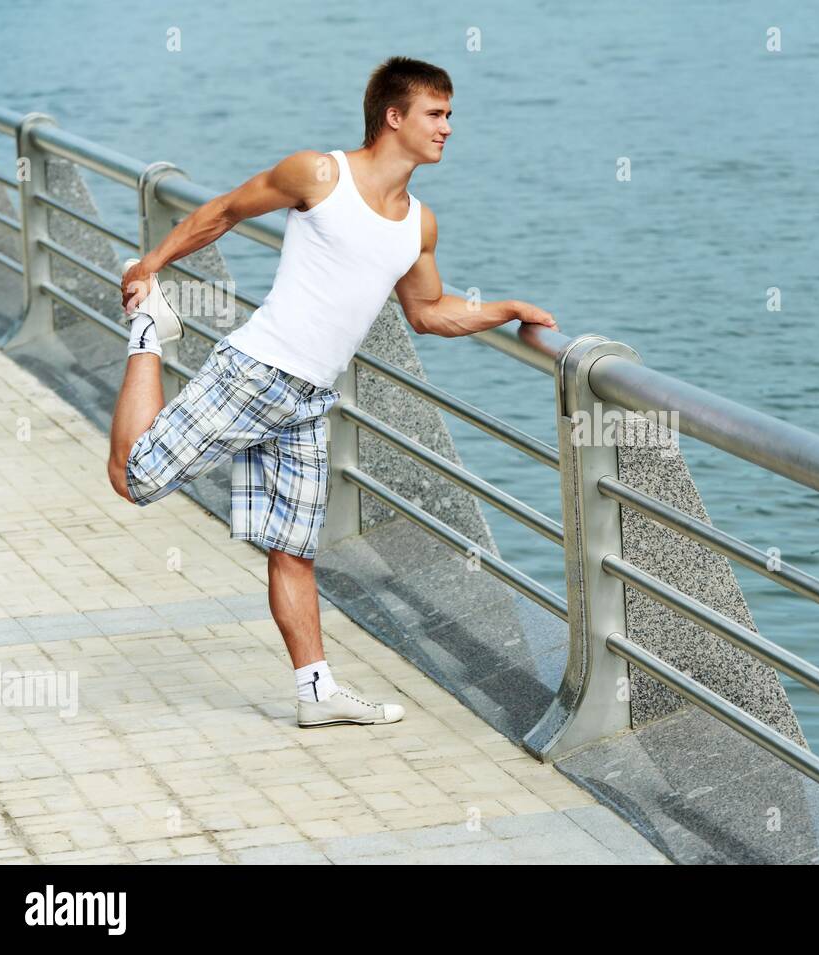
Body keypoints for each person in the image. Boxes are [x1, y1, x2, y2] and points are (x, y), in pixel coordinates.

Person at [106, 56, 558, 729]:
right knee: (133, 477)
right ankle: (148, 331)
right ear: (394, 116)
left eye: (451, 114)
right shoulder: (320, 174)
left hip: (310, 399)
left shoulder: (417, 224)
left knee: (293, 549)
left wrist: (508, 307)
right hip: (257, 371)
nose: (448, 128)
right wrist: (151, 266)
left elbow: (429, 312)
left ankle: (315, 692)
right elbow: (226, 210)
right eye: (437, 114)